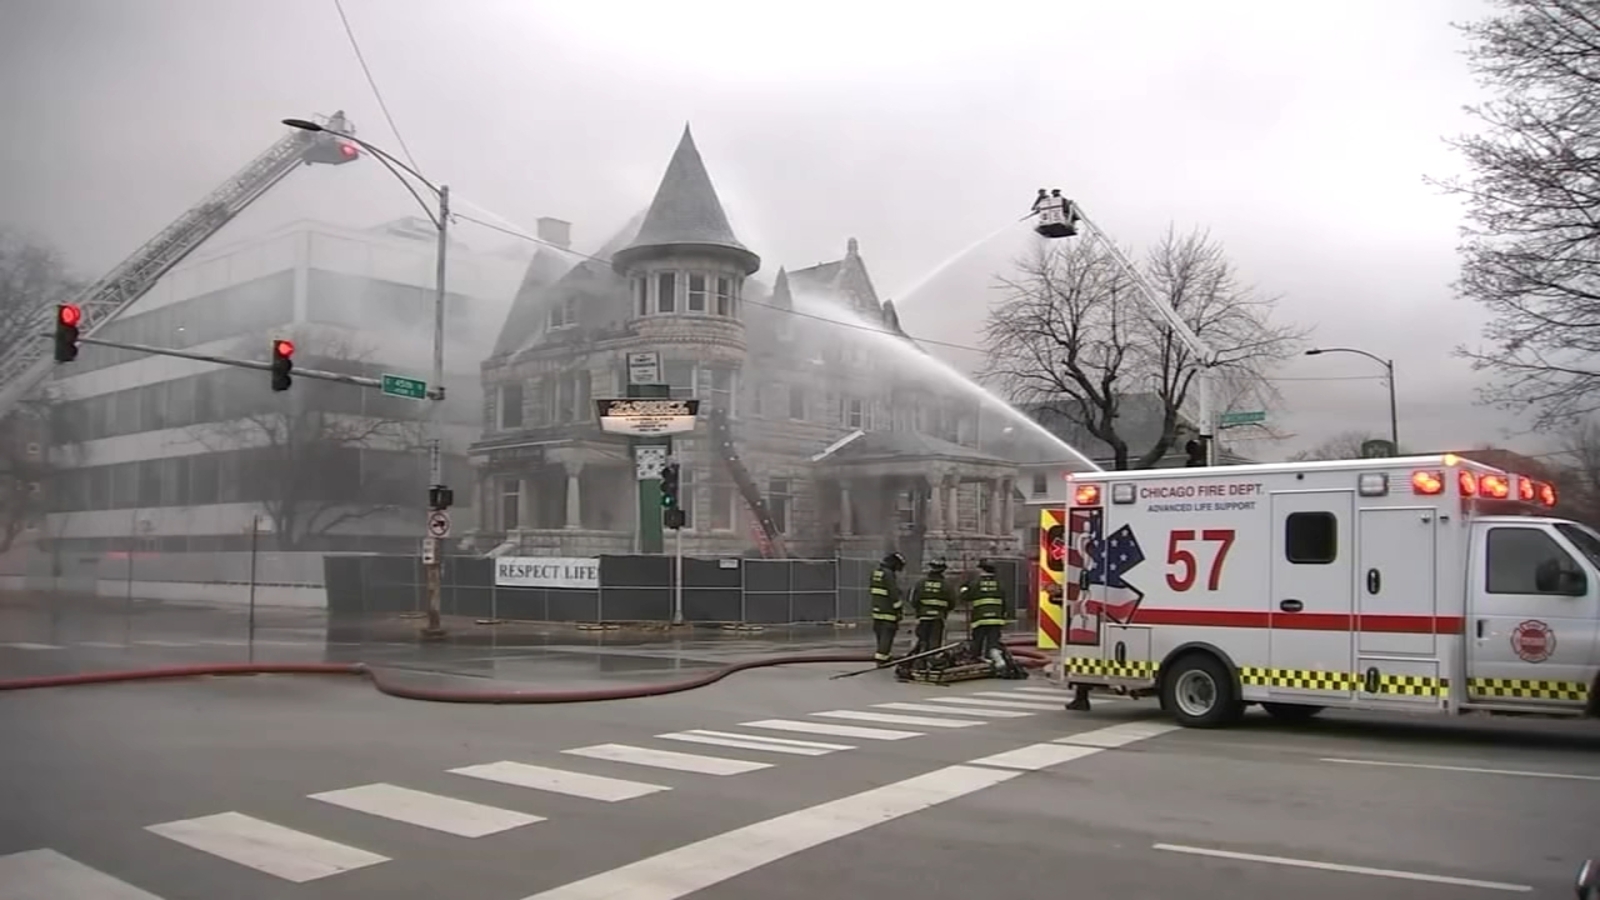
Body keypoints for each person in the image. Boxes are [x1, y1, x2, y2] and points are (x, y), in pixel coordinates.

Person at [963, 559, 1009, 669]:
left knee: (977, 639)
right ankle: (995, 660)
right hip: (996, 618)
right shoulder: (999, 583)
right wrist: (1004, 615)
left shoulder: (975, 583)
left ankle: (976, 659)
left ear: (982, 570)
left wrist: (964, 587)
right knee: (993, 640)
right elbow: (1005, 600)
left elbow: (965, 597)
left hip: (980, 618)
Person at [908, 559, 955, 664]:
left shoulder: (920, 583)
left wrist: (919, 611)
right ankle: (933, 662)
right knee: (935, 641)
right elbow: (952, 602)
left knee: (921, 640)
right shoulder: (946, 585)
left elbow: (913, 600)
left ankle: (919, 661)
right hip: (938, 618)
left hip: (923, 617)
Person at [869, 552, 907, 663]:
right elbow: (893, 593)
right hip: (888, 610)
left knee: (880, 632)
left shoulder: (876, 572)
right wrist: (898, 609)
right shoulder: (888, 574)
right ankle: (883, 657)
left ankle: (881, 653)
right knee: (888, 632)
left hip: (877, 608)